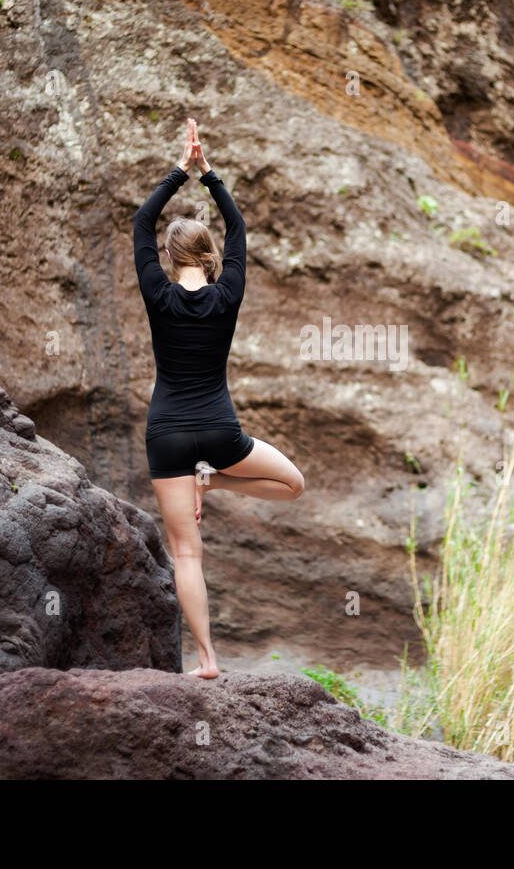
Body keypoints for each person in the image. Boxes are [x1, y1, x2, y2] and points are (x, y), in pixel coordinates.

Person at [132, 117, 304, 679]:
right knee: (293, 484)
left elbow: (141, 221)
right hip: (220, 432)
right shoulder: (227, 293)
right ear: (208, 254)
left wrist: (179, 170)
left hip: (166, 435)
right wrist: (208, 174)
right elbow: (239, 227)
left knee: (186, 553)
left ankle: (206, 659)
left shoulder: (157, 294)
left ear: (167, 256)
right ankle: (215, 480)